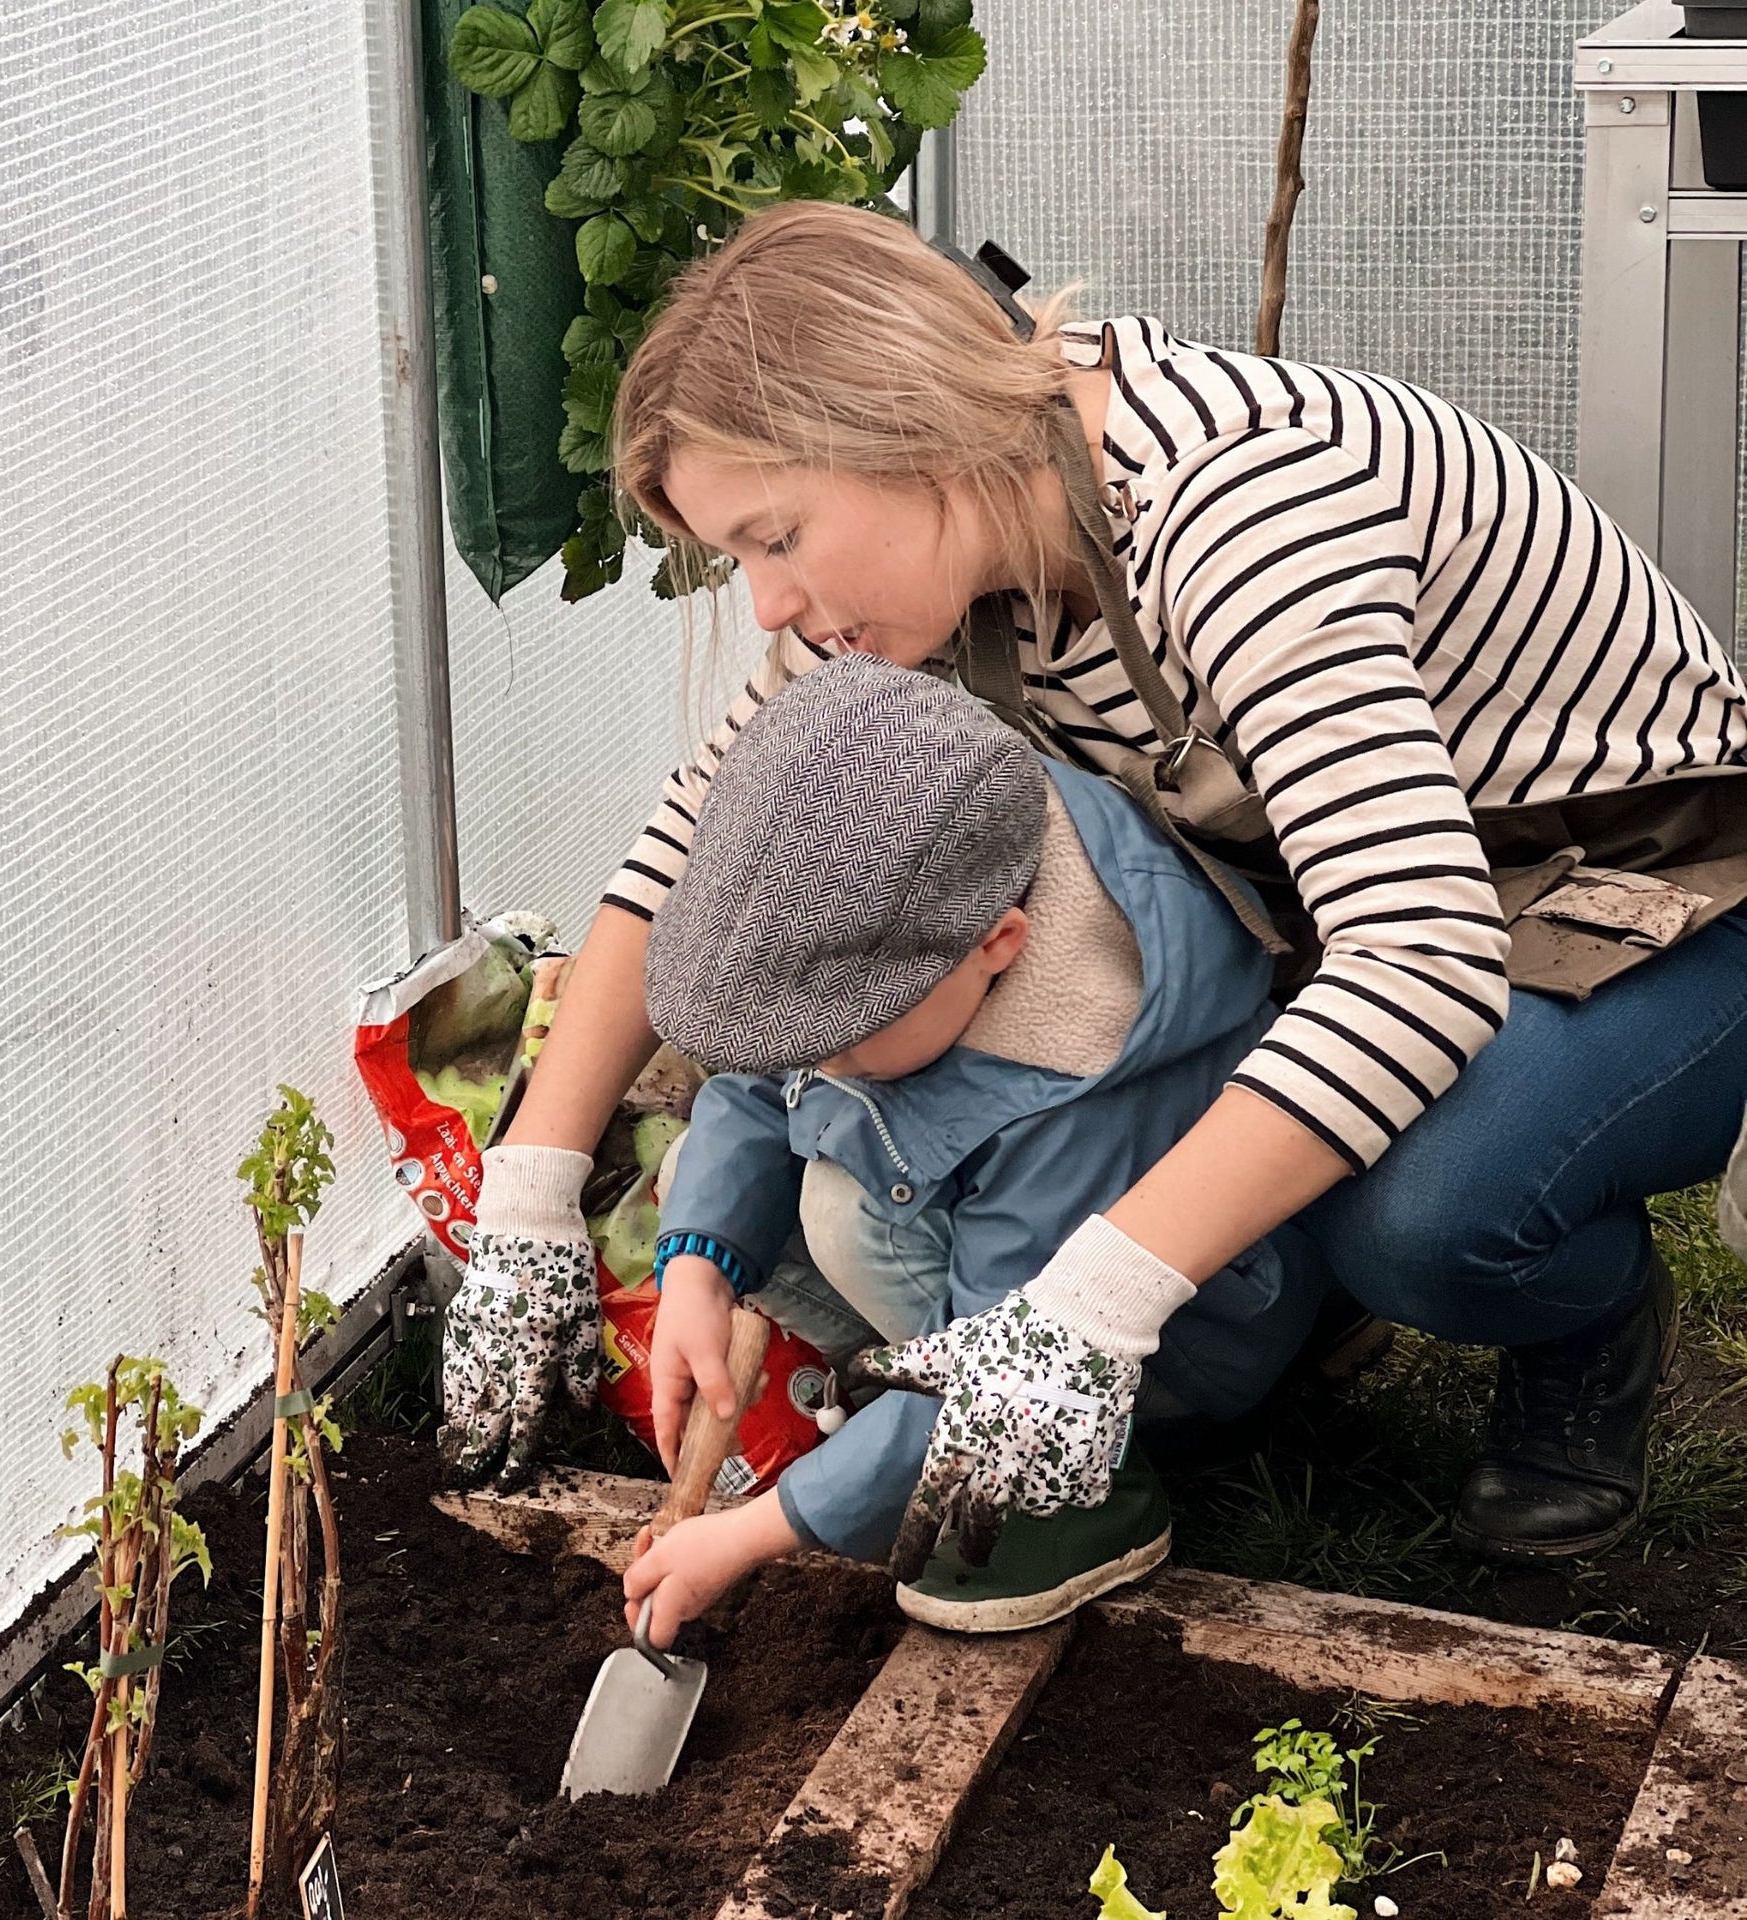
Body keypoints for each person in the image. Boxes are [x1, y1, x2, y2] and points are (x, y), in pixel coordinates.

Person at [444, 198, 1747, 1568]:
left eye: (777, 538)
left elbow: (1419, 957)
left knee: (1424, 1215)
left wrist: (1094, 1305)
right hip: (1338, 895)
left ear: (904, 426)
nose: (766, 606)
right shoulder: (939, 548)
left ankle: (1582, 1320)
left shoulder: (1241, 512)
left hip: (1638, 898)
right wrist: (530, 1195)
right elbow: (698, 849)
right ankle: (1289, 1294)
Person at [611, 651, 1329, 1637]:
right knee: (706, 1175)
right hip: (988, 1239)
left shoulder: (1079, 1066)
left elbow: (1016, 1349)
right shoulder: (907, 897)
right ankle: (910, 1436)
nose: (821, 1059)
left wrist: (755, 1532)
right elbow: (756, 1082)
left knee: (846, 1218)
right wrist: (696, 1268)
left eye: (851, 1031)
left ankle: (1084, 1499)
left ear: (999, 941)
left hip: (1167, 1344)